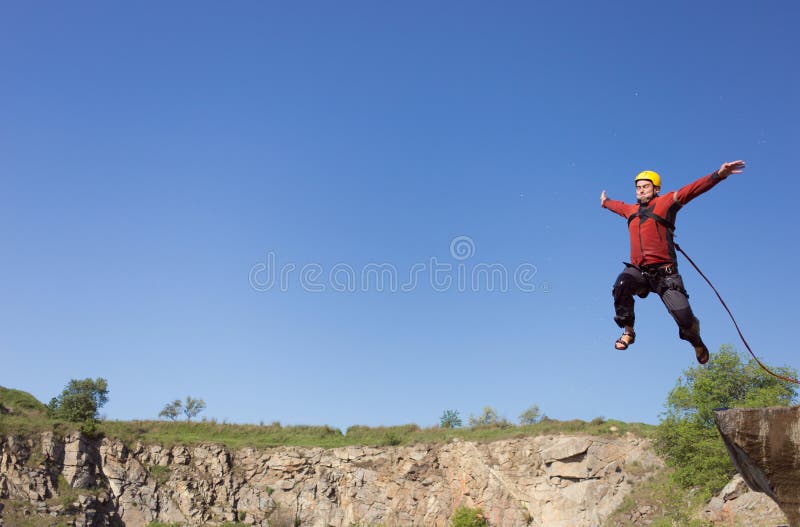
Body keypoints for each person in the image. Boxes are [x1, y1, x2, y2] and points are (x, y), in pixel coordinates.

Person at [600, 160, 746, 364]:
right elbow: (617, 206)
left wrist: (719, 175)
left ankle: (696, 341)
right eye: (638, 187)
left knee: (684, 319)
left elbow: (692, 190)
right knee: (621, 285)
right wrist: (605, 202)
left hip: (665, 275)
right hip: (639, 272)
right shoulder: (631, 210)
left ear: (656, 188)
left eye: (645, 187)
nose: (641, 191)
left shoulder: (666, 202)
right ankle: (629, 331)